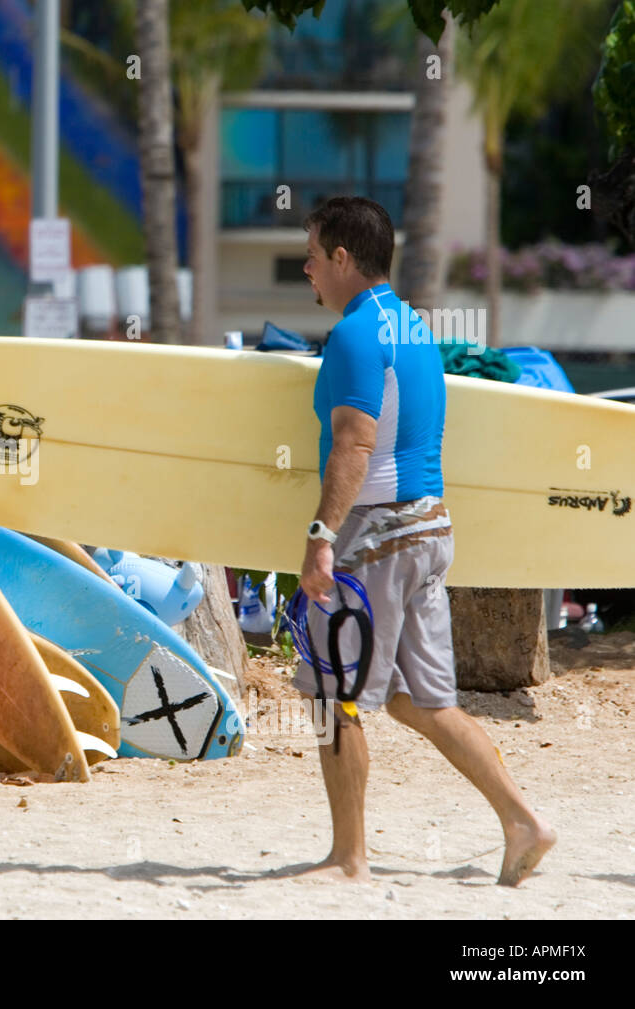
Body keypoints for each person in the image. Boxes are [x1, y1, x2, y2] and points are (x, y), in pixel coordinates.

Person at [296, 196, 555, 886]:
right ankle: (524, 820)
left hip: (375, 536)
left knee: (333, 691)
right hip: (428, 528)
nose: (307, 268)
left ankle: (347, 856)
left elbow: (354, 442)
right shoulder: (412, 325)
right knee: (423, 701)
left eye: (315, 255)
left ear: (344, 259)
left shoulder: (354, 335)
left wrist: (322, 537)